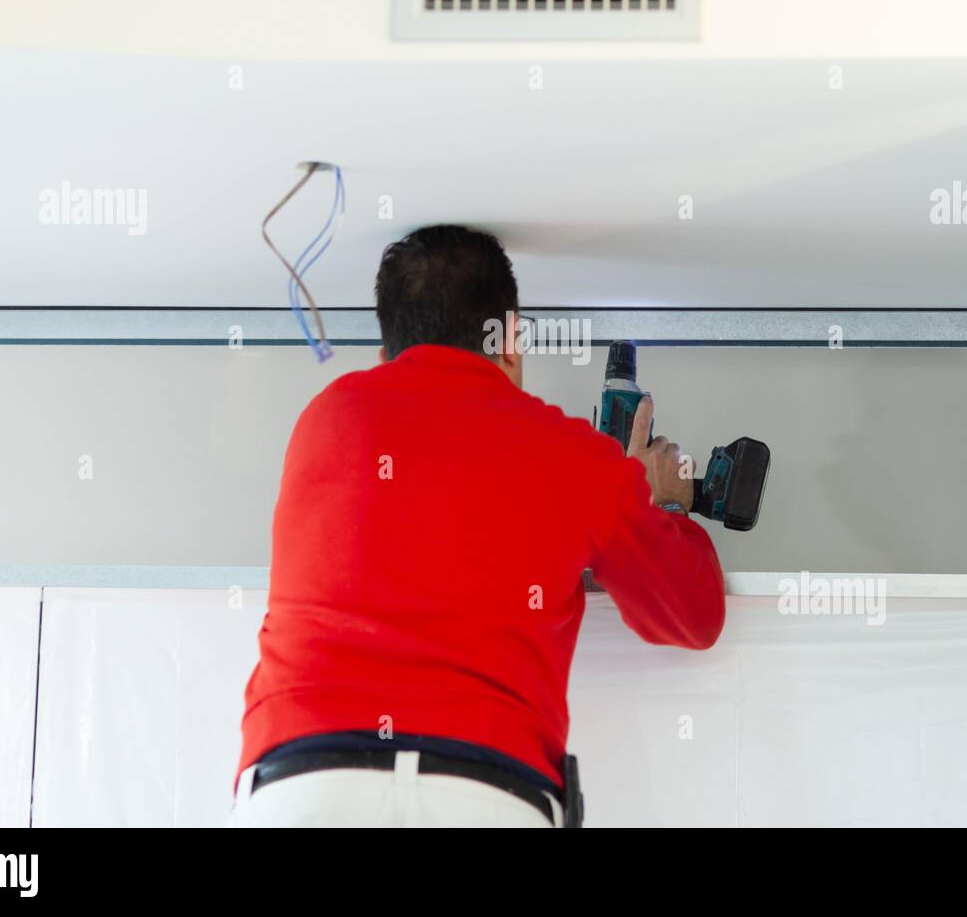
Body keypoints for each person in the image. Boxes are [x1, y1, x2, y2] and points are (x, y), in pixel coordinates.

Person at [230, 225, 725, 828]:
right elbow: (693, 616)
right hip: (485, 791)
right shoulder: (575, 456)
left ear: (387, 354)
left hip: (302, 783)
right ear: (511, 339)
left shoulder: (324, 421)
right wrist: (659, 496)